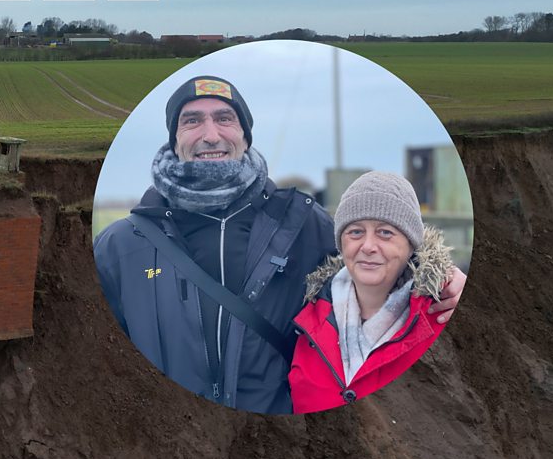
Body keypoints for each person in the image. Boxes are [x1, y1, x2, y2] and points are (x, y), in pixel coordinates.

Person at [93, 75, 464, 414]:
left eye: (225, 118)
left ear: (245, 135)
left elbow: (377, 276)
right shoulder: (121, 246)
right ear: (174, 140)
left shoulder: (303, 223)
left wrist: (442, 278)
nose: (211, 135)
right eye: (191, 121)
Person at [289, 171, 454, 414]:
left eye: (385, 232)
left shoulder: (440, 319)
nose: (368, 246)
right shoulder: (308, 325)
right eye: (355, 232)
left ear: (411, 244)